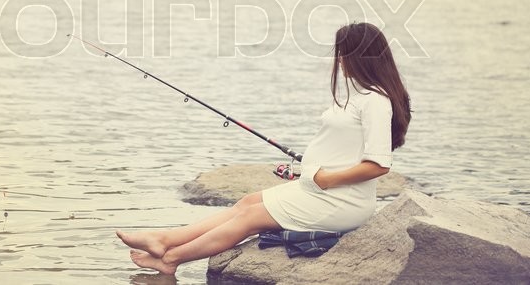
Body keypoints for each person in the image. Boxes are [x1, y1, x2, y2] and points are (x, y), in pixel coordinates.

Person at [116, 22, 411, 275]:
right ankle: (165, 239)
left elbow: (379, 165)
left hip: (342, 202)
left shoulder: (375, 100)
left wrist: (324, 178)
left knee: (250, 218)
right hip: (318, 190)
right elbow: (341, 148)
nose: (339, 60)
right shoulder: (356, 95)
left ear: (361, 57)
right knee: (247, 203)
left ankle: (170, 260)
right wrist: (309, 171)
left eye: (343, 53)